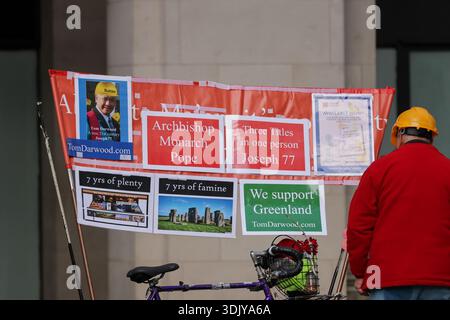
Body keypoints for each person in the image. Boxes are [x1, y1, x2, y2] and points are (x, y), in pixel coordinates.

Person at [347, 106, 450, 300]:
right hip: (441, 278)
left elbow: (358, 227)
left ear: (400, 134)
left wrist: (360, 271)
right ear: (432, 136)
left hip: (387, 277)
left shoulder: (379, 169)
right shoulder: (447, 169)